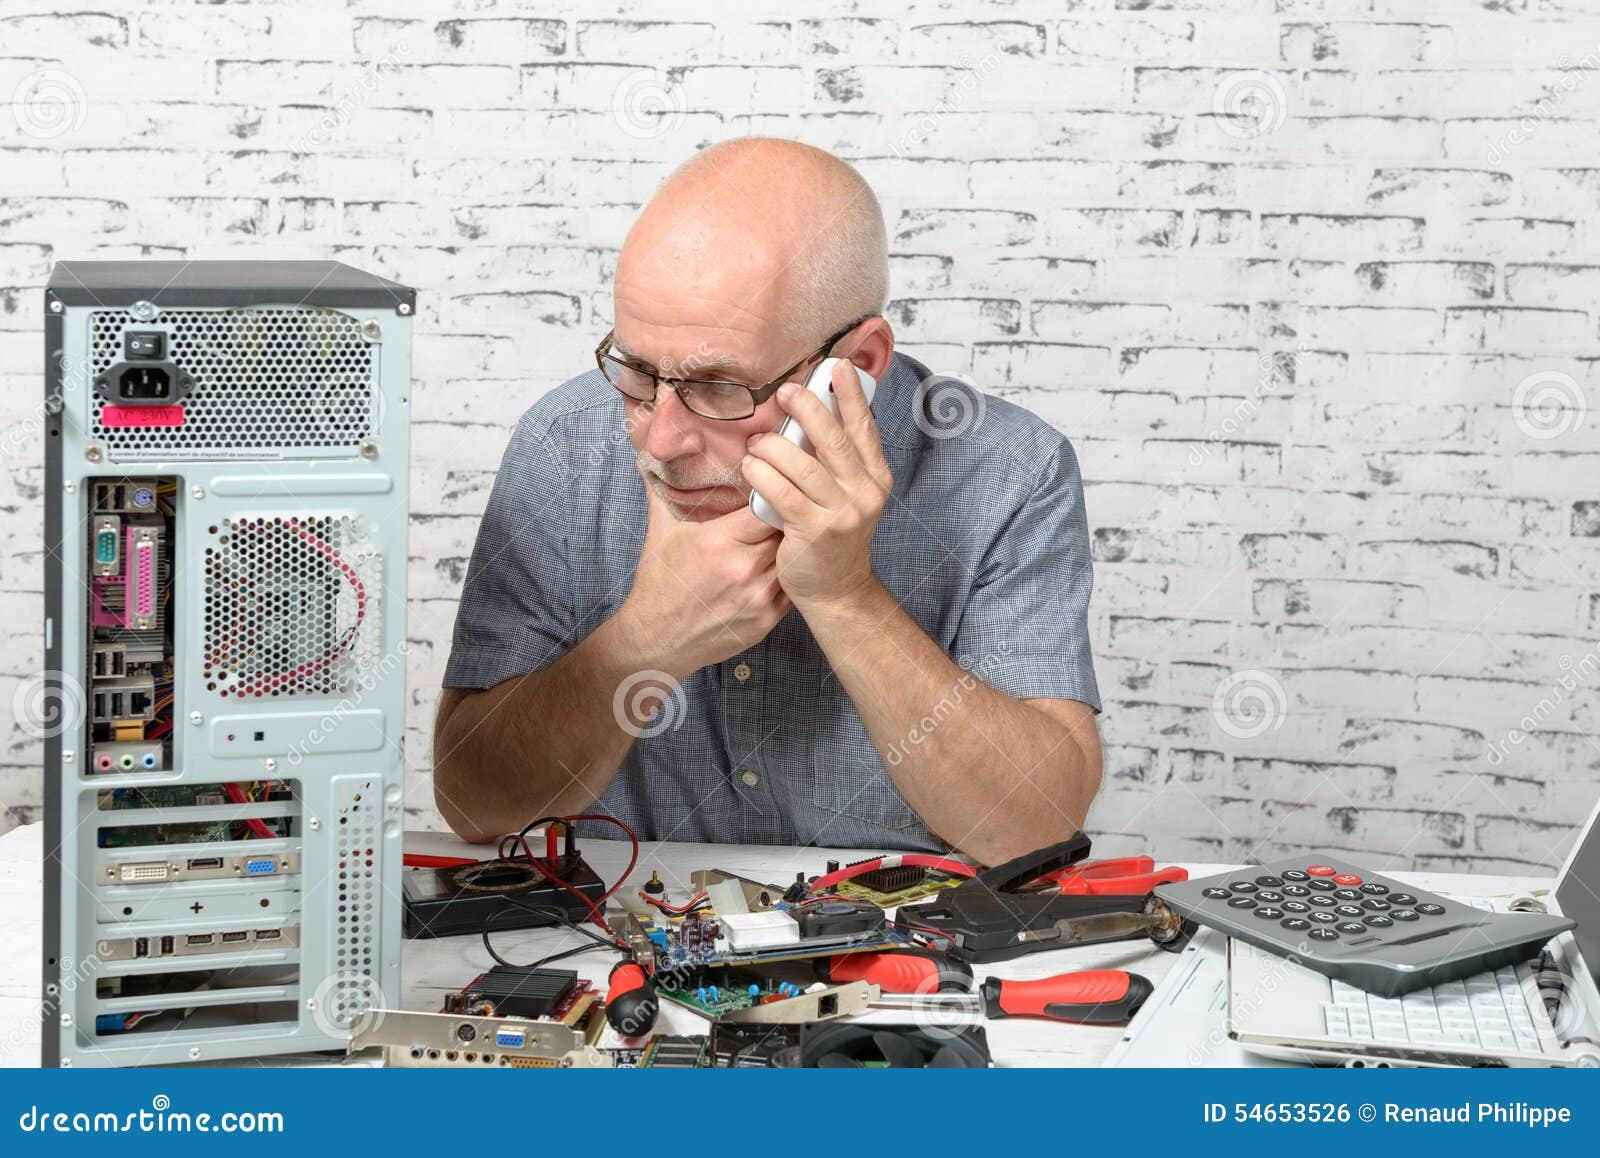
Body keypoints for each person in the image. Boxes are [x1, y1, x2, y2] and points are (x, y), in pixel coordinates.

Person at [433, 138, 1102, 866]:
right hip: (620, 946)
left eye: (719, 388)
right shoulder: (564, 446)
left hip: (906, 952)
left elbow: (1035, 827)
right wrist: (646, 638)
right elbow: (473, 804)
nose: (661, 440)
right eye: (635, 371)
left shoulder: (1009, 469)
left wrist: (847, 599)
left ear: (860, 364)